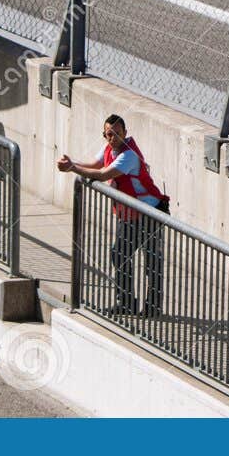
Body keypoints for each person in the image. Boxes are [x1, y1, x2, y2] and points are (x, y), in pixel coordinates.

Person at [57, 113, 169, 316]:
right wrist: (72, 163)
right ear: (105, 135)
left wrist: (72, 168)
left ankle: (153, 308)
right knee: (120, 254)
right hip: (130, 213)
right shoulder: (109, 148)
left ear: (125, 133)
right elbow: (94, 165)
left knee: (152, 261)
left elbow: (103, 174)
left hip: (149, 213)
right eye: (109, 134)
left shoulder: (128, 156)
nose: (113, 138)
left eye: (117, 133)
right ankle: (126, 303)